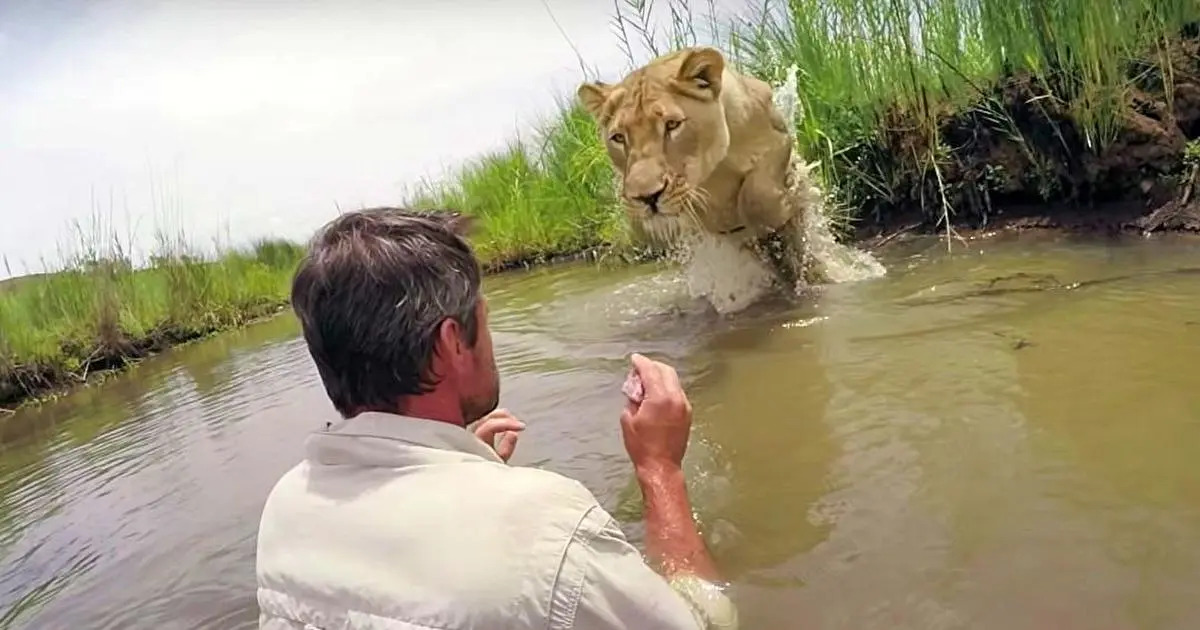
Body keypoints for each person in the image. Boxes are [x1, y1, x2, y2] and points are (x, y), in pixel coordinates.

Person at [255, 207, 737, 629]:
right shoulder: (544, 526)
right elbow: (707, 624)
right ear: (451, 343)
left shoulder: (285, 507)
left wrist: (468, 470)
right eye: (484, 320)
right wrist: (659, 467)